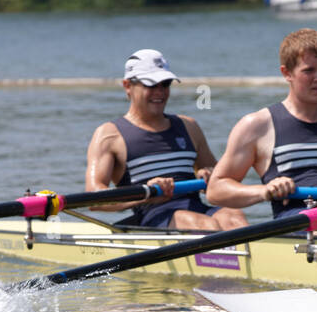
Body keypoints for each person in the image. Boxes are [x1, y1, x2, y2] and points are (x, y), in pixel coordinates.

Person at [207, 28, 317, 236]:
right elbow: (215, 190)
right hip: (296, 224)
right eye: (309, 70)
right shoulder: (257, 126)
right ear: (286, 73)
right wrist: (264, 191)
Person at [84, 49, 246, 230]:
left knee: (234, 216)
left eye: (165, 84)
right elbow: (94, 198)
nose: (159, 92)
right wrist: (146, 194)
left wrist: (209, 175)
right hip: (154, 217)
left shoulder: (189, 126)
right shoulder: (109, 135)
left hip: (198, 208)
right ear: (127, 85)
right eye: (151, 85)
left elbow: (221, 180)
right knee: (202, 224)